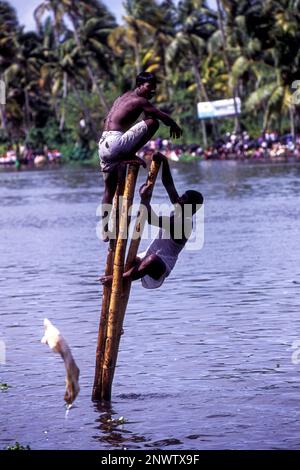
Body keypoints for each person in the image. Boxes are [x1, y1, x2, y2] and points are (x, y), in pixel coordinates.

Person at [98, 72, 183, 241]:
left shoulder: (122, 98)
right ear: (139, 85)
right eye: (149, 87)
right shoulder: (140, 101)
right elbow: (160, 117)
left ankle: (106, 230)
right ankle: (129, 154)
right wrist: (174, 125)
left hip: (103, 144)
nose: (152, 91)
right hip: (116, 143)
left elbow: (145, 114)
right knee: (153, 124)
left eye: (154, 88)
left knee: (110, 189)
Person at [100, 152, 203, 289]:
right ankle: (122, 276)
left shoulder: (183, 223)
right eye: (181, 196)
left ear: (191, 208)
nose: (179, 199)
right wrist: (164, 162)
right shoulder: (180, 209)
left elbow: (151, 219)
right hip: (144, 259)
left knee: (152, 260)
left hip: (158, 269)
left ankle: (121, 279)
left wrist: (144, 198)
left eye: (183, 199)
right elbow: (168, 184)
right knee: (122, 259)